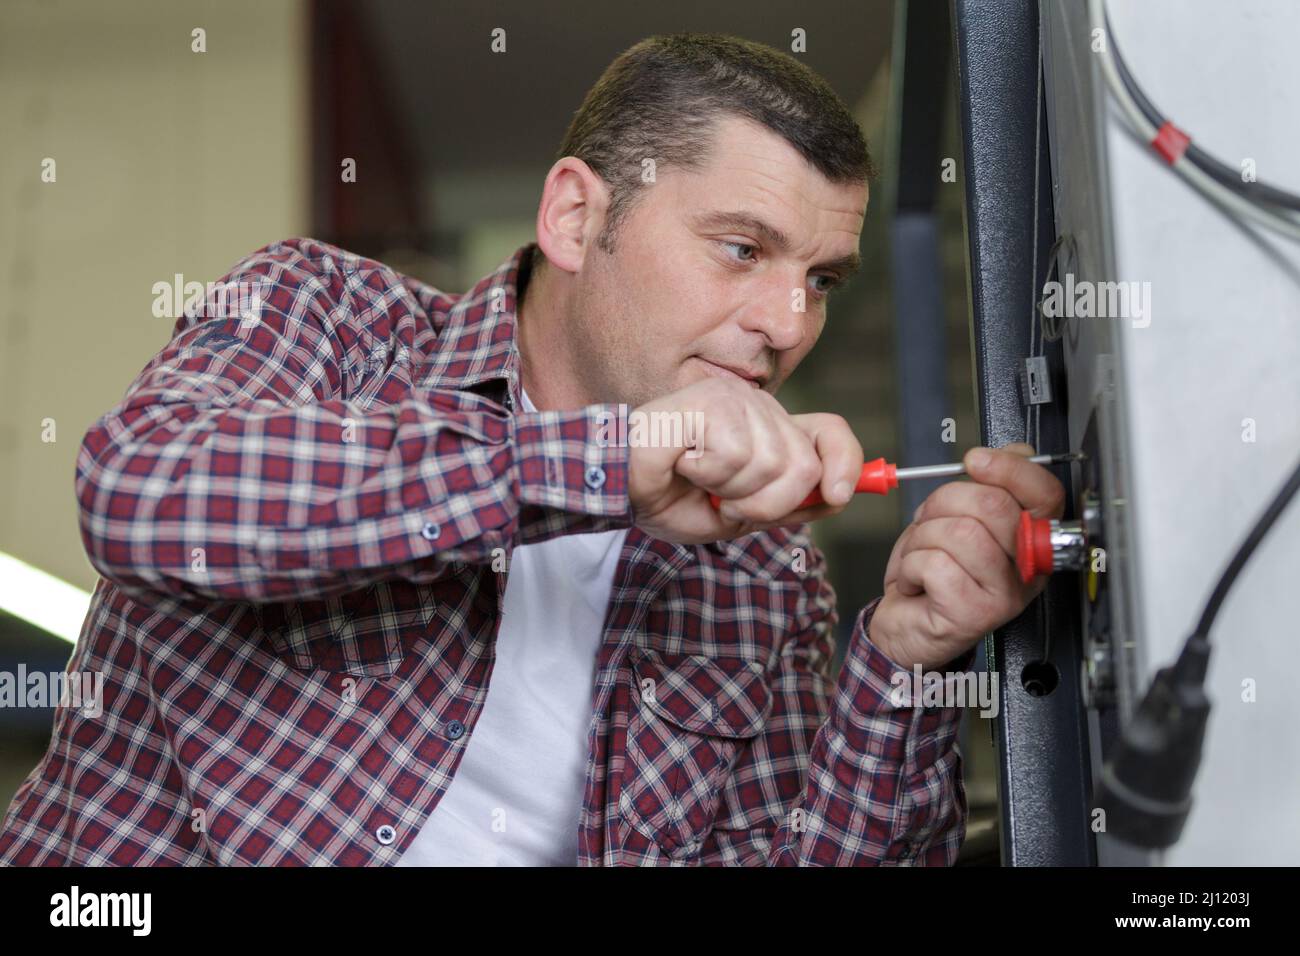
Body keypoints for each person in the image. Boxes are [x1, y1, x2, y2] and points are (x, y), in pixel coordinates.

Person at [0, 33, 1062, 866]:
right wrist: (607, 463)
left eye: (820, 279)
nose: (788, 321)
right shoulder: (325, 311)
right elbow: (142, 490)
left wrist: (906, 659)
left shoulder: (765, 573)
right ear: (571, 216)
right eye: (741, 248)